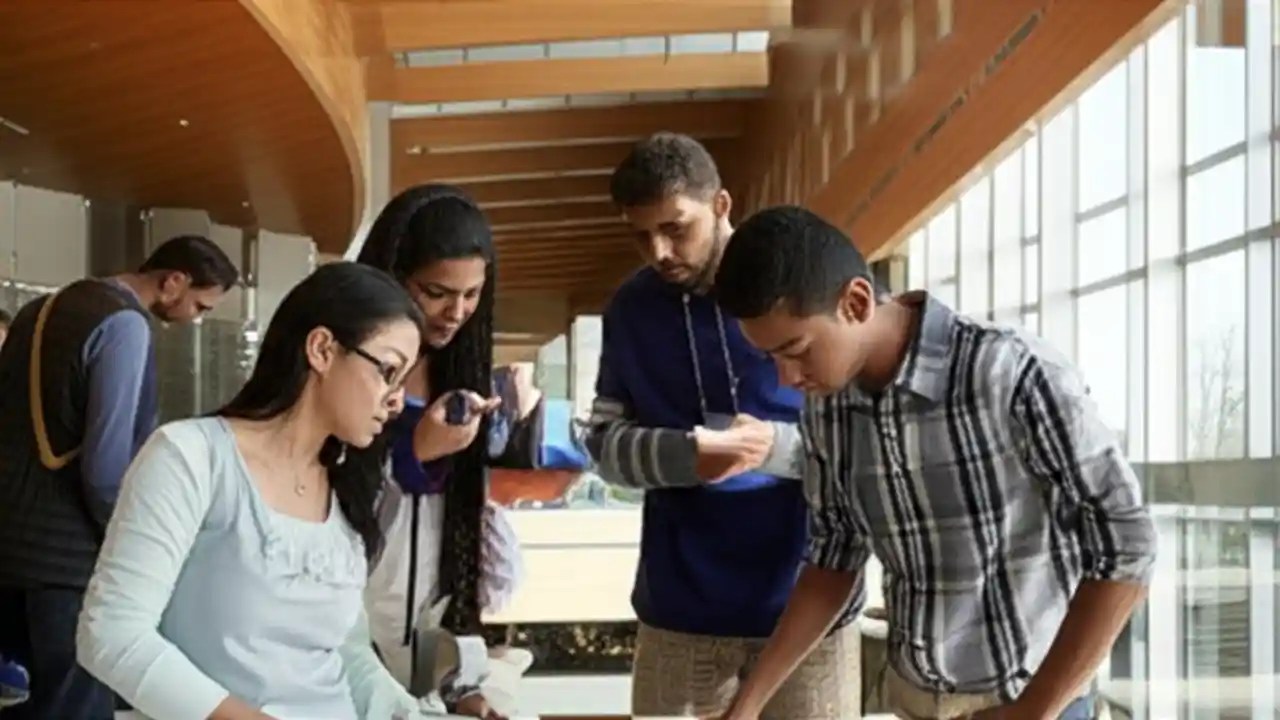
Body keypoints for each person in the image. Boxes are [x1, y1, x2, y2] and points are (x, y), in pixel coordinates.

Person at [712, 206, 1158, 720]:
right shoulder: (827, 408)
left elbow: (1128, 541)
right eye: (771, 358)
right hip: (915, 699)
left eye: (796, 350)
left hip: (1033, 700)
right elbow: (833, 557)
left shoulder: (1011, 371)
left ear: (856, 302)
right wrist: (745, 708)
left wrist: (1035, 711)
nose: (787, 379)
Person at [77, 262, 454, 720]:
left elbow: (346, 655)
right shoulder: (191, 457)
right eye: (388, 371)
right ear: (322, 349)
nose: (396, 400)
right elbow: (112, 634)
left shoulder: (345, 486)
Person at [583, 133, 860, 719]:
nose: (658, 250)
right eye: (640, 234)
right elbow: (603, 447)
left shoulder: (800, 281)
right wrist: (687, 455)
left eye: (676, 227)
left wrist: (773, 448)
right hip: (679, 610)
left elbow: (866, 442)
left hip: (811, 604)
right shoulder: (630, 310)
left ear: (722, 205)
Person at [0, 234, 238, 720]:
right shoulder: (124, 326)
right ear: (173, 282)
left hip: (9, 546)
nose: (197, 318)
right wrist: (141, 538)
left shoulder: (38, 312)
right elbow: (106, 470)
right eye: (200, 304)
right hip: (67, 566)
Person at [358, 184, 540, 719]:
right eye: (435, 291)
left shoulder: (463, 375)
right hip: (344, 640)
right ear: (391, 275)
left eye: (472, 294)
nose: (455, 311)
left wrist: (464, 686)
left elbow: (463, 560)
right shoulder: (350, 370)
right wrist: (413, 450)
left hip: (424, 649)